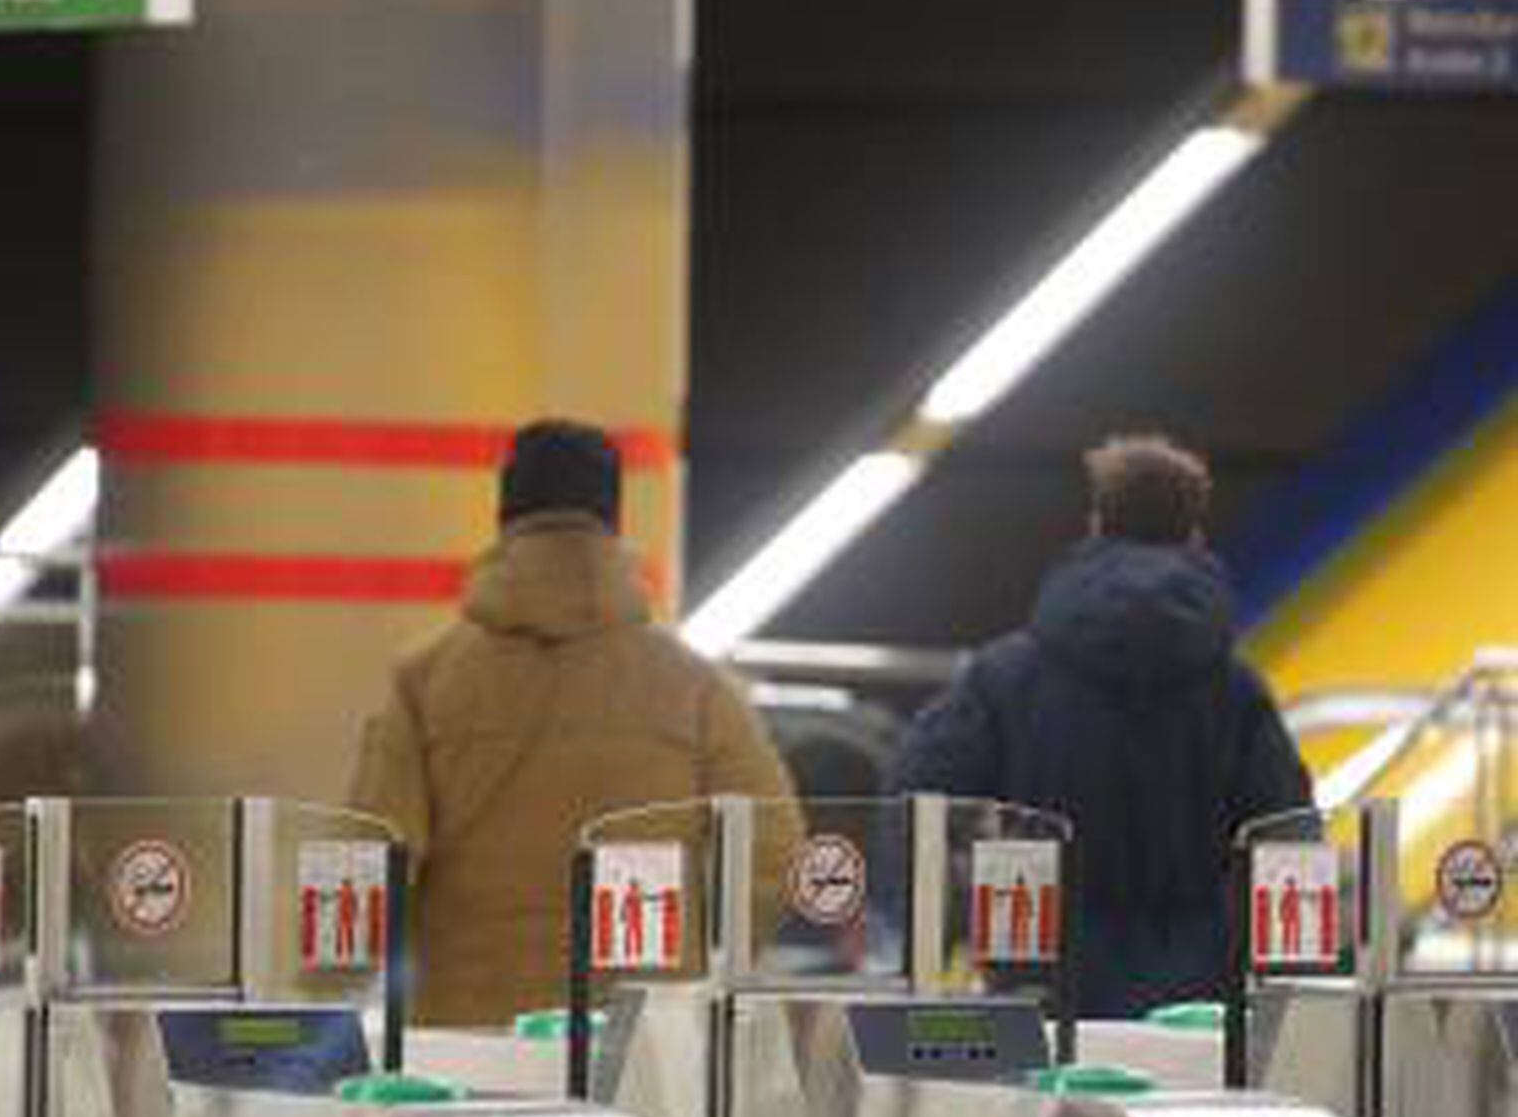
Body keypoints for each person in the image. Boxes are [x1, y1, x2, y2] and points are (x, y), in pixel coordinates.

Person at [349, 419, 795, 1027]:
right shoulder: (696, 687)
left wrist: (336, 995)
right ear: (614, 521)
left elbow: (370, 864)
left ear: (504, 517)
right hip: (640, 1040)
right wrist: (695, 966)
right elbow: (774, 854)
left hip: (472, 1037)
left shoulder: (425, 681)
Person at [891, 432, 1310, 1018]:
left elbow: (917, 800)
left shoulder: (1004, 677)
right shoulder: (1237, 691)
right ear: (1195, 535)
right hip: (1199, 997)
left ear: (1094, 525)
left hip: (1039, 972)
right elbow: (1287, 834)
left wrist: (958, 920)